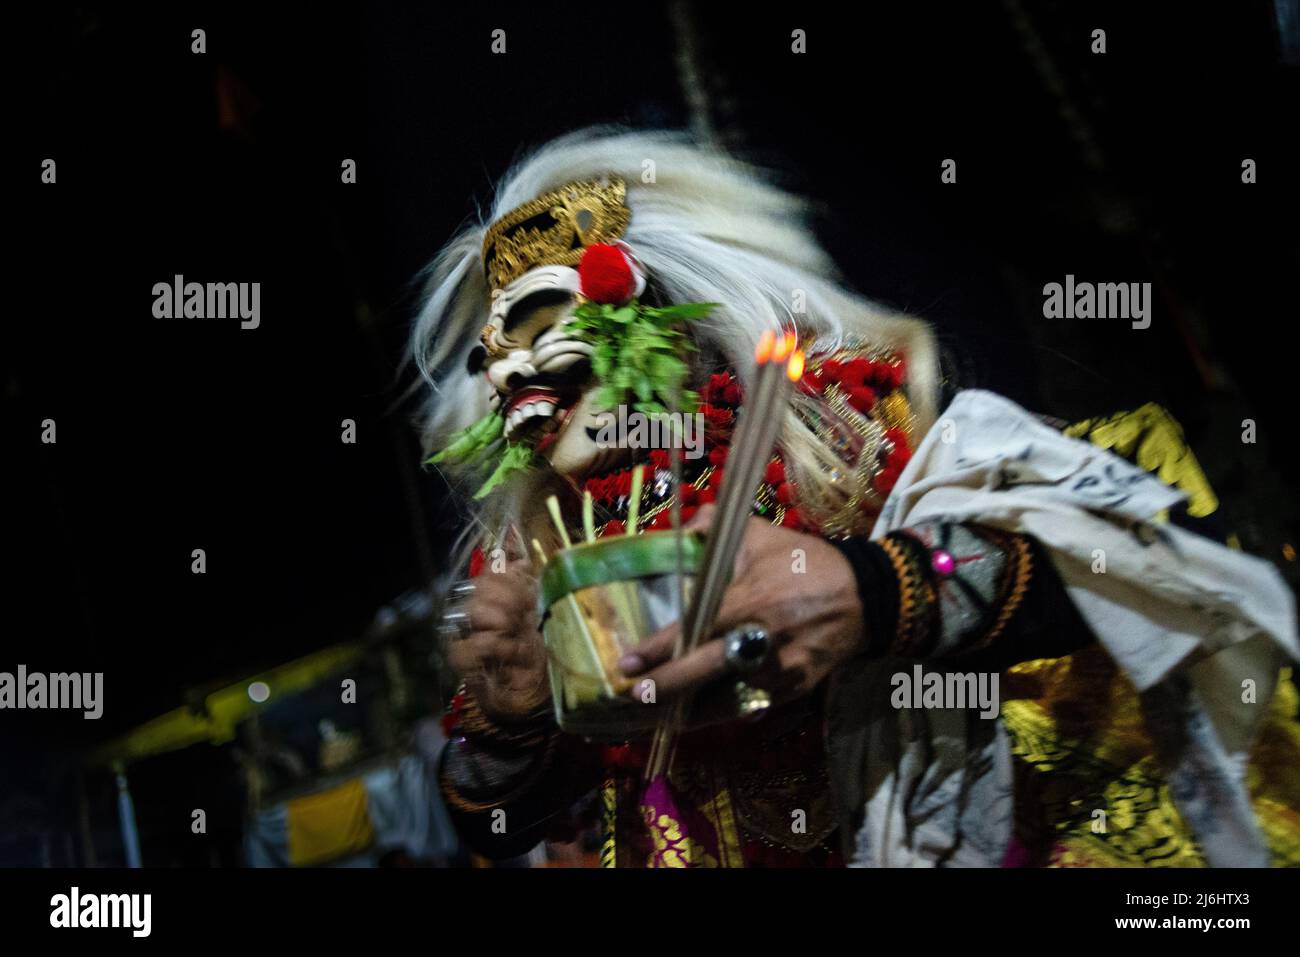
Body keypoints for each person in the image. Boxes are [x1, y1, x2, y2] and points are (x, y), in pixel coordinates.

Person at [412, 128, 1299, 867]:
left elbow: (1122, 572)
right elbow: (488, 826)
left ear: (648, 304)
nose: (510, 372)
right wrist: (513, 721)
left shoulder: (836, 434)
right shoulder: (540, 551)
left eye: (536, 324)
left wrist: (868, 591)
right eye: (490, 356)